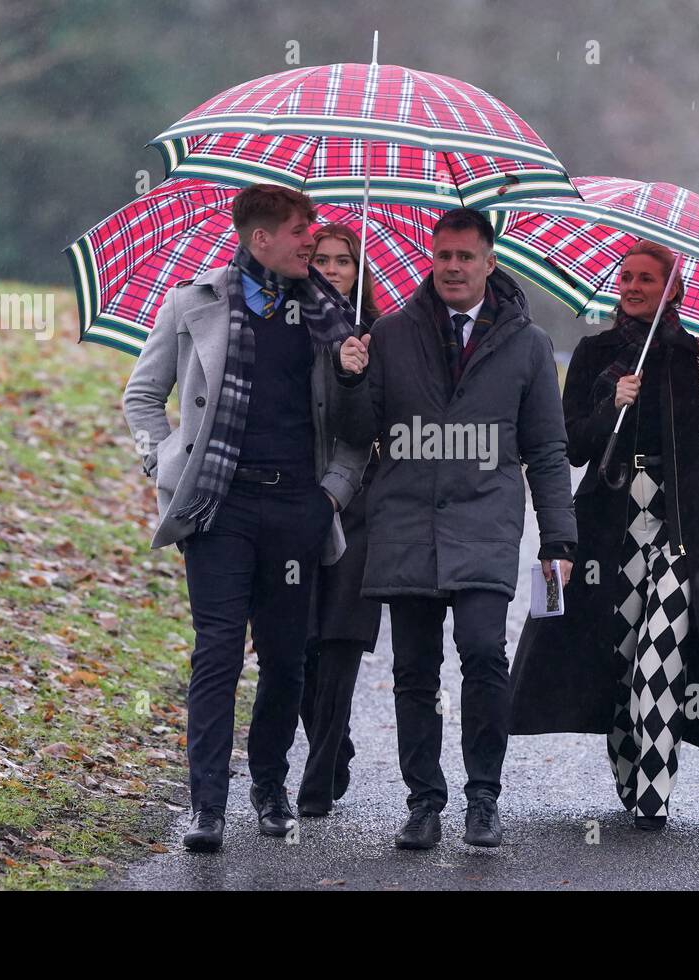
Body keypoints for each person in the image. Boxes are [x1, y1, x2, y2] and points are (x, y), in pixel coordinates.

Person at [121, 184, 372, 853]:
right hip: (218, 508)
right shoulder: (192, 303)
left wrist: (332, 494)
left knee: (287, 660)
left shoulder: (332, 317)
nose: (311, 239)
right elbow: (143, 396)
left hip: (299, 510)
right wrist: (165, 467)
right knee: (218, 652)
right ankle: (207, 803)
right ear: (260, 237)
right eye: (298, 230)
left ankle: (269, 784)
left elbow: (358, 431)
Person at [337, 208, 576, 850]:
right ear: (431, 258)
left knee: (483, 655)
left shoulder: (527, 346)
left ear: (490, 262)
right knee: (415, 670)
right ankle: (423, 802)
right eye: (443, 255)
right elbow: (360, 433)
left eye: (465, 257)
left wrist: (559, 541)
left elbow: (547, 450)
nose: (452, 267)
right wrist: (351, 376)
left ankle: (484, 797)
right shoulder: (388, 334)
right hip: (406, 523)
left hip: (485, 525)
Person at [509, 240, 699, 832]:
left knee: (659, 658)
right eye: (627, 277)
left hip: (683, 535)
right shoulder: (595, 355)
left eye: (648, 278)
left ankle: (653, 794)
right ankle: (630, 775)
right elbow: (569, 447)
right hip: (609, 534)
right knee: (619, 663)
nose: (633, 286)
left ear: (673, 290)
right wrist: (609, 400)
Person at [295, 222, 385, 817]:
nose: (330, 270)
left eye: (343, 262)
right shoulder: (281, 331)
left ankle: (319, 771)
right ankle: (336, 742)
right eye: (320, 259)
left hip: (360, 506)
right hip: (291, 503)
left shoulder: (380, 337)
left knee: (340, 638)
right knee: (298, 642)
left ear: (359, 273)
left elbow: (372, 429)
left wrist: (356, 375)